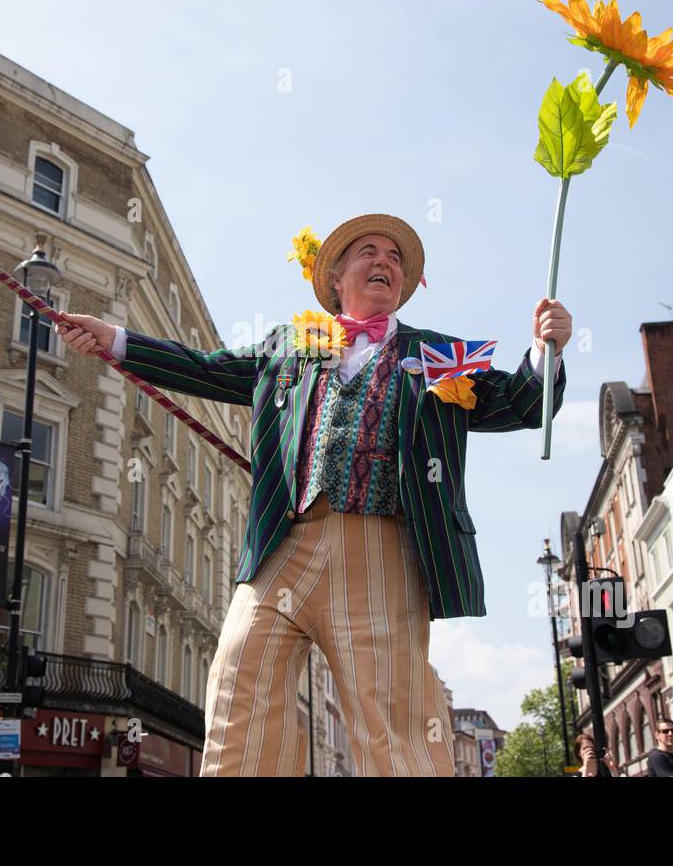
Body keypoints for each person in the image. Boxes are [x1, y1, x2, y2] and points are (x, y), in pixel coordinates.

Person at [58, 214, 572, 776]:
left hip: (382, 551)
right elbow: (208, 369)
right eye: (369, 252)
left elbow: (519, 403)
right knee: (239, 682)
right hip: (286, 543)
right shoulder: (291, 345)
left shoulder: (437, 355)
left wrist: (546, 353)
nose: (385, 262)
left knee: (392, 717)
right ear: (335, 279)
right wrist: (117, 341)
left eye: (395, 258)